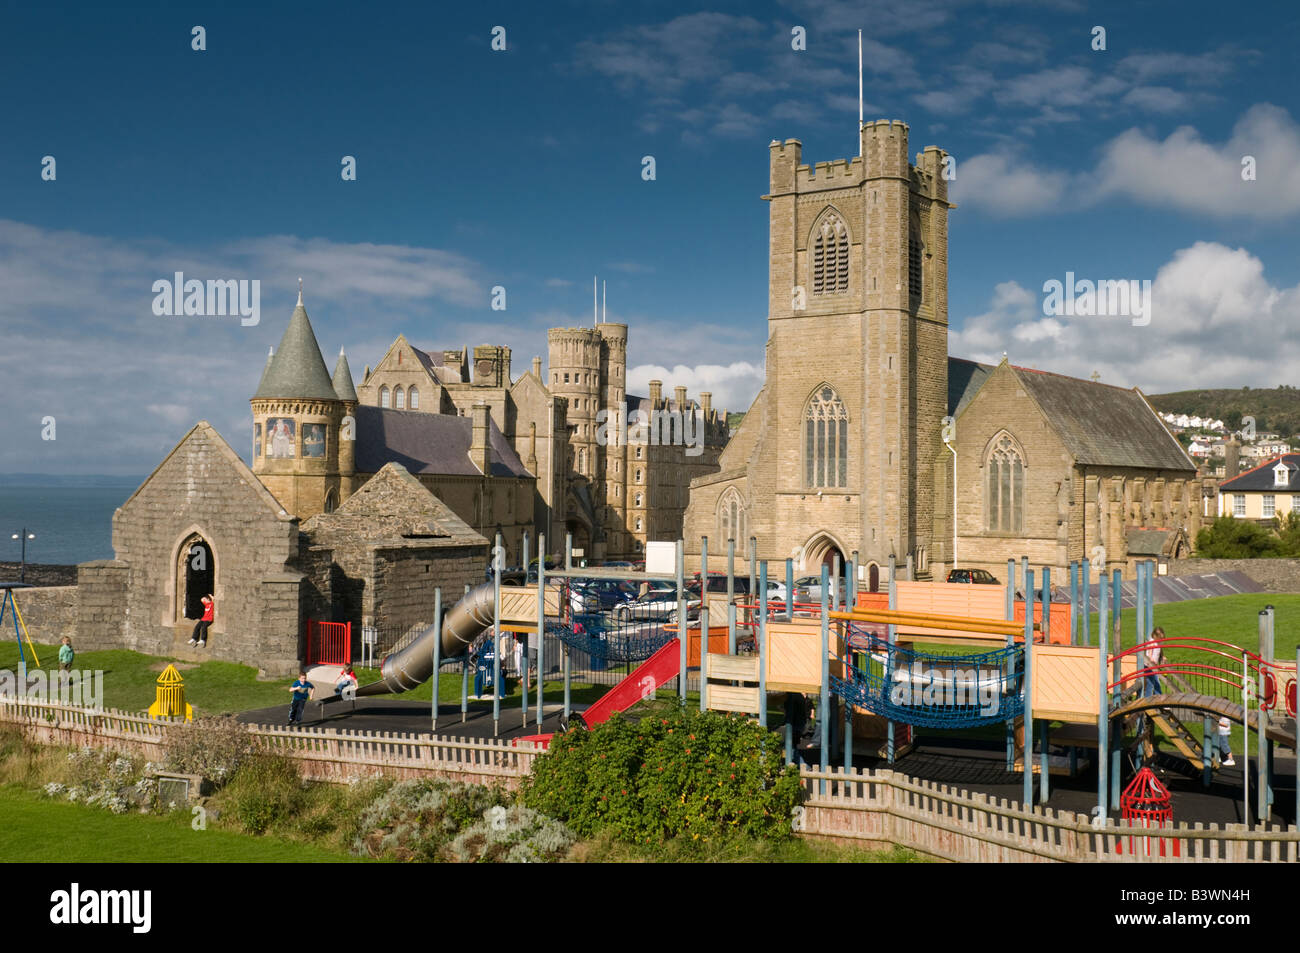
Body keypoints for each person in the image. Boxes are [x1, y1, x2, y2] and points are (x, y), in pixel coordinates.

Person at [1144, 626, 1165, 696]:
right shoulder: (1152, 641)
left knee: (1156, 683)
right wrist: (1150, 658)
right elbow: (1150, 650)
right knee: (1151, 683)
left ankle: (1159, 698)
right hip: (1149, 666)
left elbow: (1160, 650)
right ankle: (1148, 700)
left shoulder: (1159, 643)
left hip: (1154, 667)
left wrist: (1162, 657)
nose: (1161, 640)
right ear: (1155, 636)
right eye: (1159, 638)